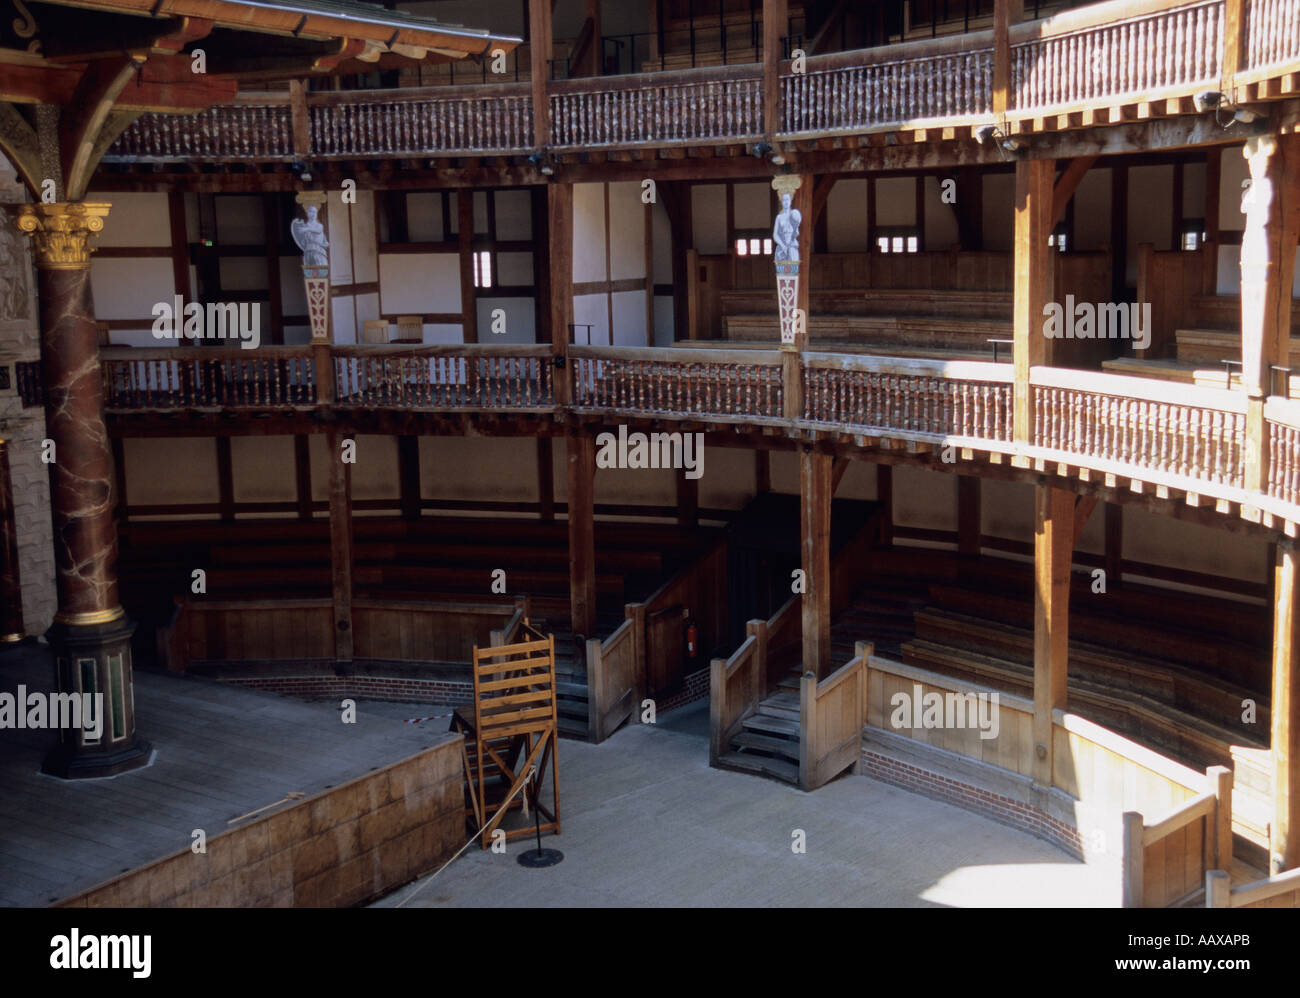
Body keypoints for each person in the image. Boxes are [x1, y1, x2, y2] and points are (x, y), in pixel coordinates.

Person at [772, 191, 801, 263]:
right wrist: (782, 245)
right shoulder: (779, 217)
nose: (786, 202)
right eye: (784, 200)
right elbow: (775, 234)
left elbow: (796, 232)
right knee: (782, 271)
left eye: (787, 199)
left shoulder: (794, 214)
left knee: (793, 271)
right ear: (781, 201)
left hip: (792, 246)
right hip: (781, 247)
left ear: (790, 201)